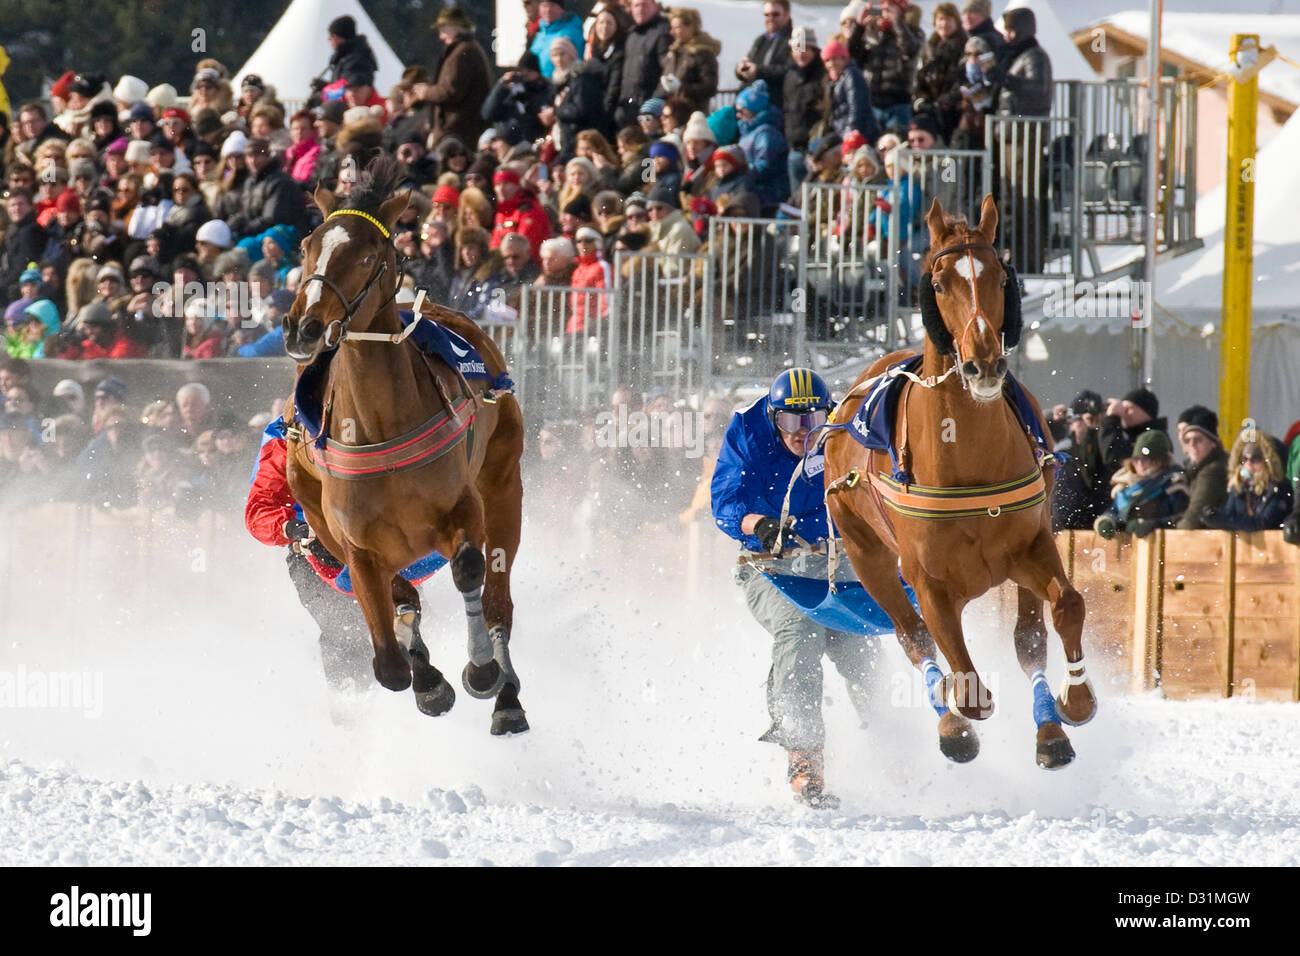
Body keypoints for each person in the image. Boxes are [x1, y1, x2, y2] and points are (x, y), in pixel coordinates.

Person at [711, 368, 879, 809]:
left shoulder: (844, 433)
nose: (804, 433)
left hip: (836, 566)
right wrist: (759, 525)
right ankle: (803, 754)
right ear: (773, 418)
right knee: (800, 630)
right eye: (791, 423)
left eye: (813, 421)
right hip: (771, 567)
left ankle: (893, 743)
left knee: (861, 650)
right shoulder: (748, 433)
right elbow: (725, 502)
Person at [245, 415, 446, 697]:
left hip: (375, 548)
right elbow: (259, 512)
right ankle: (350, 708)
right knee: (345, 630)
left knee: (411, 615)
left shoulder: (371, 427)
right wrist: (295, 529)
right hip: (314, 557)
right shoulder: (286, 436)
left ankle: (425, 680)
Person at [846, 0, 924, 135]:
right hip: (873, 103)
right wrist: (859, 27)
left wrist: (897, 22)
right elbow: (853, 55)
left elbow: (909, 50)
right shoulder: (874, 31)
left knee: (895, 144)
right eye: (883, 7)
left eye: (890, 8)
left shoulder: (913, 31)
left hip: (898, 103)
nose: (885, 12)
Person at [1094, 429, 1188, 539]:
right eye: (1136, 459)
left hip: (1163, 548)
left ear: (1160, 460)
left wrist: (1149, 524)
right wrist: (1107, 521)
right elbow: (1115, 511)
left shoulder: (1173, 485)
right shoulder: (1126, 487)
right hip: (1131, 551)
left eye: (1145, 459)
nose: (1139, 464)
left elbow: (1181, 518)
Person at [1201, 426, 1294, 532]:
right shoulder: (1239, 486)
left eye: (1256, 458)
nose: (1249, 463)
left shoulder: (1278, 488)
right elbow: (1230, 514)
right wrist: (1212, 515)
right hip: (1244, 547)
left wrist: (1221, 519)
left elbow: (1262, 523)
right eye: (1244, 459)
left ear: (1268, 460)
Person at [428, 7, 494, 149]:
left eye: (443, 30)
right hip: (462, 130)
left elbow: (450, 92)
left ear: (454, 29)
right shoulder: (467, 49)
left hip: (459, 131)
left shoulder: (462, 53)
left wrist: (425, 92)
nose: (441, 36)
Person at [615, 0, 673, 129]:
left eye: (645, 5)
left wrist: (653, 106)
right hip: (628, 108)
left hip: (650, 111)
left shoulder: (663, 32)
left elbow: (668, 72)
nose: (640, 9)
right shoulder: (630, 35)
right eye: (636, 5)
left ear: (655, 7)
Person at [986, 6, 1052, 118]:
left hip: (1025, 127)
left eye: (1011, 31)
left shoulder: (1034, 56)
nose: (1006, 36)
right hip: (1012, 126)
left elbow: (1038, 87)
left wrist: (1006, 79)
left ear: (1022, 31)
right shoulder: (1015, 55)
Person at [655, 8, 721, 115]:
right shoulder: (673, 53)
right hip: (671, 116)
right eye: (671, 28)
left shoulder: (703, 53)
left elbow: (710, 87)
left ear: (691, 27)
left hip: (693, 116)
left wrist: (681, 88)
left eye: (676, 28)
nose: (672, 32)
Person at [1174, 405, 1229, 530]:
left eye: (1198, 440)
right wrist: (1162, 522)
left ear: (1213, 443)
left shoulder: (1213, 471)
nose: (1192, 445)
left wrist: (1173, 536)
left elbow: (1193, 517)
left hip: (1214, 544)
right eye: (1187, 441)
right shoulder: (1199, 468)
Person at [734, 0, 794, 112]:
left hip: (775, 106)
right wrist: (741, 69)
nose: (770, 18)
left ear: (787, 14)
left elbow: (794, 71)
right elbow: (749, 63)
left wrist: (759, 70)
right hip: (748, 106)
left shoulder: (796, 39)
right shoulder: (760, 40)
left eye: (775, 14)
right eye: (767, 14)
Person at [823, 39, 879, 145]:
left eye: (835, 58)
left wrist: (851, 131)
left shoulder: (851, 74)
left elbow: (857, 106)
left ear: (844, 58)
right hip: (841, 132)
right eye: (827, 60)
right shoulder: (834, 81)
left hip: (858, 133)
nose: (831, 64)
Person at [530, 0, 587, 81]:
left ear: (561, 9)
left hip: (563, 83)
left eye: (552, 5)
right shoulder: (540, 34)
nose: (548, 10)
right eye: (544, 6)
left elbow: (575, 63)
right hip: (541, 87)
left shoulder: (570, 31)